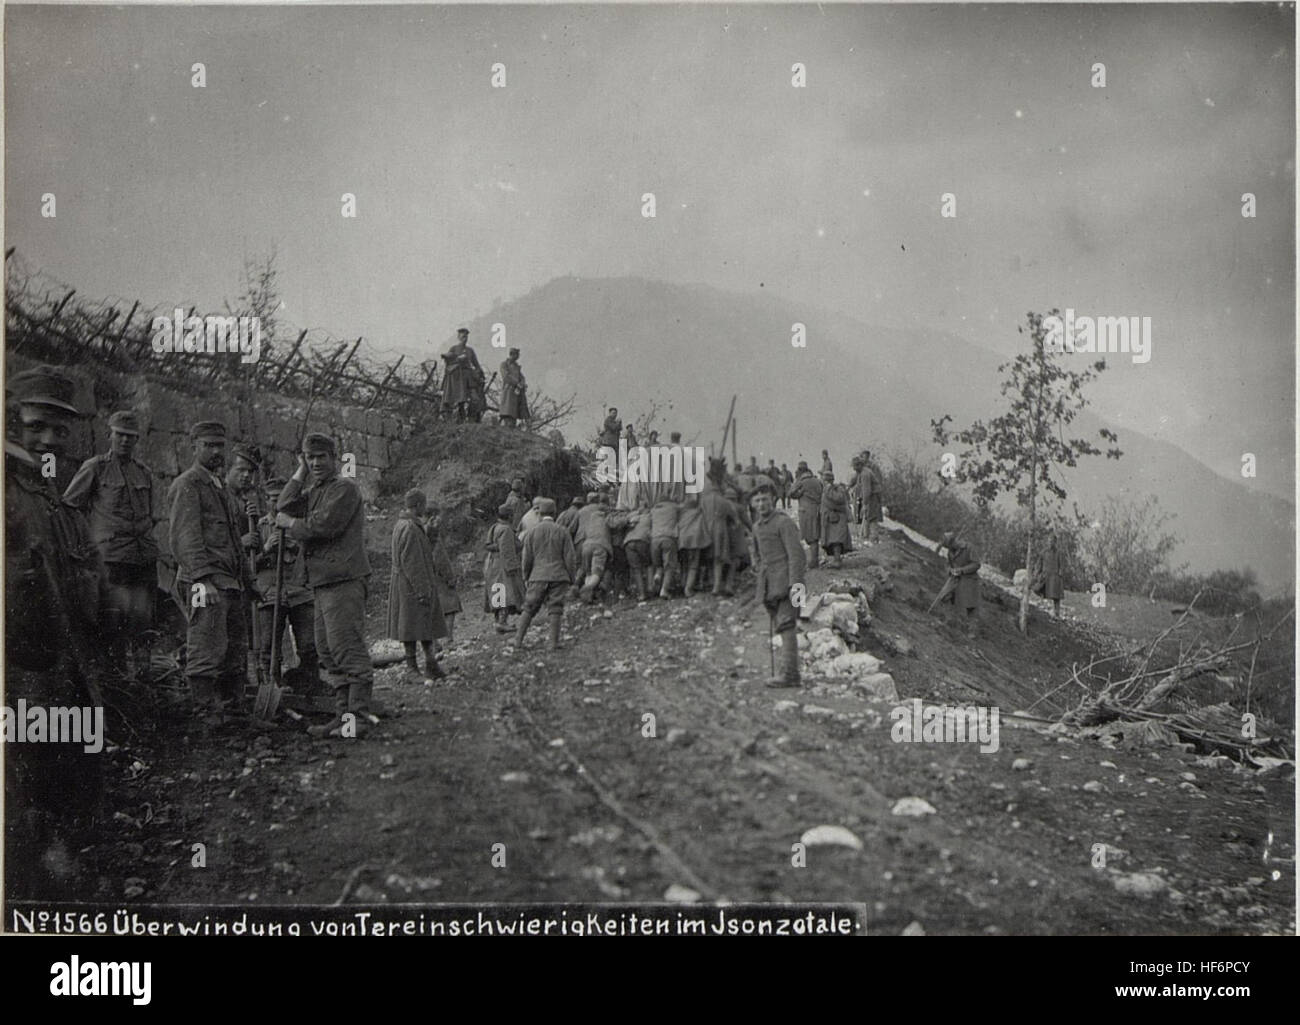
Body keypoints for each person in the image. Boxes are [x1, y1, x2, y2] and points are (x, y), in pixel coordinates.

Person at [5, 366, 104, 896]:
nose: (48, 439)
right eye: (36, 425)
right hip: (19, 668)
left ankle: (54, 853)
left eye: (60, 430)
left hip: (61, 663)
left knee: (61, 767)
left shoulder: (52, 499)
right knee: (23, 775)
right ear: (11, 420)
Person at [275, 433, 374, 738]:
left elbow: (323, 526)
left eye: (321, 457)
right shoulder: (316, 489)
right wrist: (299, 472)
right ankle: (342, 718)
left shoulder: (343, 488)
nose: (316, 462)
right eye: (309, 457)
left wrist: (291, 525)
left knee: (347, 650)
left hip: (342, 581)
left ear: (335, 458)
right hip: (322, 583)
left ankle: (356, 717)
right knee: (329, 653)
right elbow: (284, 504)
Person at [62, 409, 159, 679]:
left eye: (131, 437)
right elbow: (70, 507)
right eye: (120, 435)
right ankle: (113, 679)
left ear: (137, 440)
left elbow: (151, 515)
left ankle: (143, 678)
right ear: (109, 435)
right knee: (112, 620)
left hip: (142, 558)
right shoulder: (95, 467)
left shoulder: (144, 473)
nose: (125, 441)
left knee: (143, 620)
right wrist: (84, 546)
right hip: (111, 559)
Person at [167, 420, 250, 720]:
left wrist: (249, 583)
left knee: (235, 649)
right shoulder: (187, 485)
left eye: (219, 445)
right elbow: (184, 537)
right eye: (208, 445)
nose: (216, 451)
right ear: (194, 448)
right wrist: (203, 579)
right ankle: (205, 715)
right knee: (205, 645)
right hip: (205, 582)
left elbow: (234, 542)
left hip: (230, 583)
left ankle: (234, 711)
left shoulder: (221, 488)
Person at [252, 476, 322, 694]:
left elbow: (315, 555)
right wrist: (265, 549)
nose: (276, 503)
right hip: (270, 591)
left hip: (299, 589)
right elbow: (248, 565)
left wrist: (297, 547)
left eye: (280, 498)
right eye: (272, 499)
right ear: (266, 500)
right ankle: (271, 688)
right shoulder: (258, 525)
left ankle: (310, 685)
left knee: (309, 644)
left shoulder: (300, 524)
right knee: (268, 646)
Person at [387, 489, 447, 682]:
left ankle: (431, 664)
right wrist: (422, 590)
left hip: (406, 582)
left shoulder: (403, 524)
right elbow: (413, 562)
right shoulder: (410, 528)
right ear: (419, 505)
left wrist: (431, 534)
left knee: (422, 624)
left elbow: (420, 552)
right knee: (411, 626)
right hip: (411, 584)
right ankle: (411, 670)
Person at [750, 486, 806, 688]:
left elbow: (797, 555)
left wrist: (795, 586)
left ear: (773, 499)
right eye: (757, 501)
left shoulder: (784, 522)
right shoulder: (757, 527)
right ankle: (787, 671)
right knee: (781, 627)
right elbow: (756, 553)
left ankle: (791, 675)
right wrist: (758, 567)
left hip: (787, 584)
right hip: (768, 586)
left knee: (786, 625)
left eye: (765, 499)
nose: (761, 504)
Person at [515, 498, 578, 650]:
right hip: (559, 576)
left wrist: (526, 576)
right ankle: (553, 642)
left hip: (537, 575)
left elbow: (526, 558)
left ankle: (517, 641)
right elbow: (570, 557)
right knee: (555, 608)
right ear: (554, 513)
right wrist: (571, 577)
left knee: (529, 608)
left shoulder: (532, 532)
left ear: (540, 513)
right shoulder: (562, 531)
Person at [484, 503, 525, 633]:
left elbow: (489, 545)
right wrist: (512, 567)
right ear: (509, 516)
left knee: (497, 591)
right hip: (503, 564)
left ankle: (498, 622)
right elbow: (507, 550)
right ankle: (502, 622)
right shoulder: (506, 530)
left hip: (493, 564)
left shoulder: (494, 527)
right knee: (506, 593)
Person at [424, 515, 462, 647]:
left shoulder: (421, 539)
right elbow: (442, 562)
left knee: (432, 611)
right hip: (440, 581)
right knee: (451, 606)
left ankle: (434, 642)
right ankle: (448, 639)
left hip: (427, 579)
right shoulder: (436, 542)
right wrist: (450, 578)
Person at [940, 531, 981, 637]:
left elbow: (976, 564)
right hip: (955, 578)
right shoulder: (950, 552)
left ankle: (972, 630)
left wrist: (961, 570)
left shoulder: (969, 548)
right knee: (946, 596)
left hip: (970, 579)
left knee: (970, 604)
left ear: (954, 541)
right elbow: (947, 565)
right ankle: (950, 621)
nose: (949, 549)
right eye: (948, 547)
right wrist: (950, 570)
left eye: (950, 546)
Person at [441, 328, 485, 423]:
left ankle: (471, 419)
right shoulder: (453, 349)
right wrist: (458, 359)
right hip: (457, 378)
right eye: (463, 336)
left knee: (475, 398)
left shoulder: (470, 350)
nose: (465, 338)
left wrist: (480, 374)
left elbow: (476, 364)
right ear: (458, 337)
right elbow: (448, 363)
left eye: (466, 336)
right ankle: (458, 420)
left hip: (468, 377)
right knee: (459, 400)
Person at [576, 494, 612, 603]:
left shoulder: (590, 517)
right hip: (600, 545)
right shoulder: (607, 516)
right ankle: (587, 588)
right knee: (597, 571)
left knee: (588, 572)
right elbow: (614, 524)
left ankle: (587, 596)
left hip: (586, 545)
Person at [787, 461, 823, 569]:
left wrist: (800, 493)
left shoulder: (801, 481)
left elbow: (790, 493)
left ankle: (813, 561)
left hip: (805, 511)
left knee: (809, 536)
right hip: (816, 509)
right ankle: (814, 559)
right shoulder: (817, 480)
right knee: (815, 535)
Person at [676, 491, 709, 597]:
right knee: (693, 566)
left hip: (681, 542)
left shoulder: (681, 515)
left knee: (684, 565)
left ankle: (682, 584)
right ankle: (688, 589)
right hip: (694, 542)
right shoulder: (699, 512)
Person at [819, 470, 853, 568]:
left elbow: (838, 499)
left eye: (824, 479)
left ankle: (837, 561)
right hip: (831, 518)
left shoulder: (835, 489)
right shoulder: (829, 489)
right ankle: (836, 559)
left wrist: (829, 489)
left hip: (836, 518)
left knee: (836, 540)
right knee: (833, 540)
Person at [649, 495, 680, 599]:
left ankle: (657, 575)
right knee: (669, 566)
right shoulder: (674, 507)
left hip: (654, 539)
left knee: (658, 565)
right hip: (668, 538)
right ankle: (664, 590)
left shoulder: (653, 510)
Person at [622, 498, 653, 601]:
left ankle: (641, 594)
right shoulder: (650, 515)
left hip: (628, 542)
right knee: (649, 564)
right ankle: (650, 588)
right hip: (642, 540)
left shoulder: (632, 516)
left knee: (636, 569)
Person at [1034, 534, 1065, 619]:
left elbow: (1061, 565)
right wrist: (1037, 574)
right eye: (1049, 541)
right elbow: (1038, 564)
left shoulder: (1058, 553)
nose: (1051, 543)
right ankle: (1040, 609)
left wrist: (1060, 572)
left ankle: (1057, 614)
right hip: (1045, 576)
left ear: (1055, 542)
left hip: (1055, 577)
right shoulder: (1044, 552)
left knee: (1056, 597)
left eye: (1053, 541)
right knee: (1038, 589)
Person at [499, 347, 529, 428]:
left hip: (516, 392)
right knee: (507, 410)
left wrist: (522, 384)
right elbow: (506, 376)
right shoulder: (504, 364)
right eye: (516, 355)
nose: (517, 357)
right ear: (512, 354)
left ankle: (512, 425)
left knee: (515, 412)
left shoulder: (517, 367)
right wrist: (517, 383)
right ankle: (506, 424)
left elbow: (522, 377)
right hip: (508, 391)